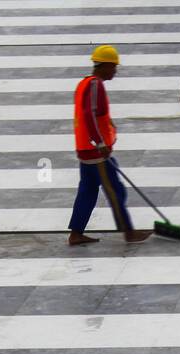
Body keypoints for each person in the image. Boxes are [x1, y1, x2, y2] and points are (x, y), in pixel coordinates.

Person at [68, 45, 152, 246]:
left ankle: (76, 233)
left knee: (87, 191)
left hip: (86, 150)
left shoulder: (85, 83)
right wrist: (99, 142)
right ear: (104, 66)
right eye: (113, 66)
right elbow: (89, 114)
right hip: (96, 152)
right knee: (116, 191)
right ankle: (129, 232)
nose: (115, 71)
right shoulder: (95, 85)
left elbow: (95, 115)